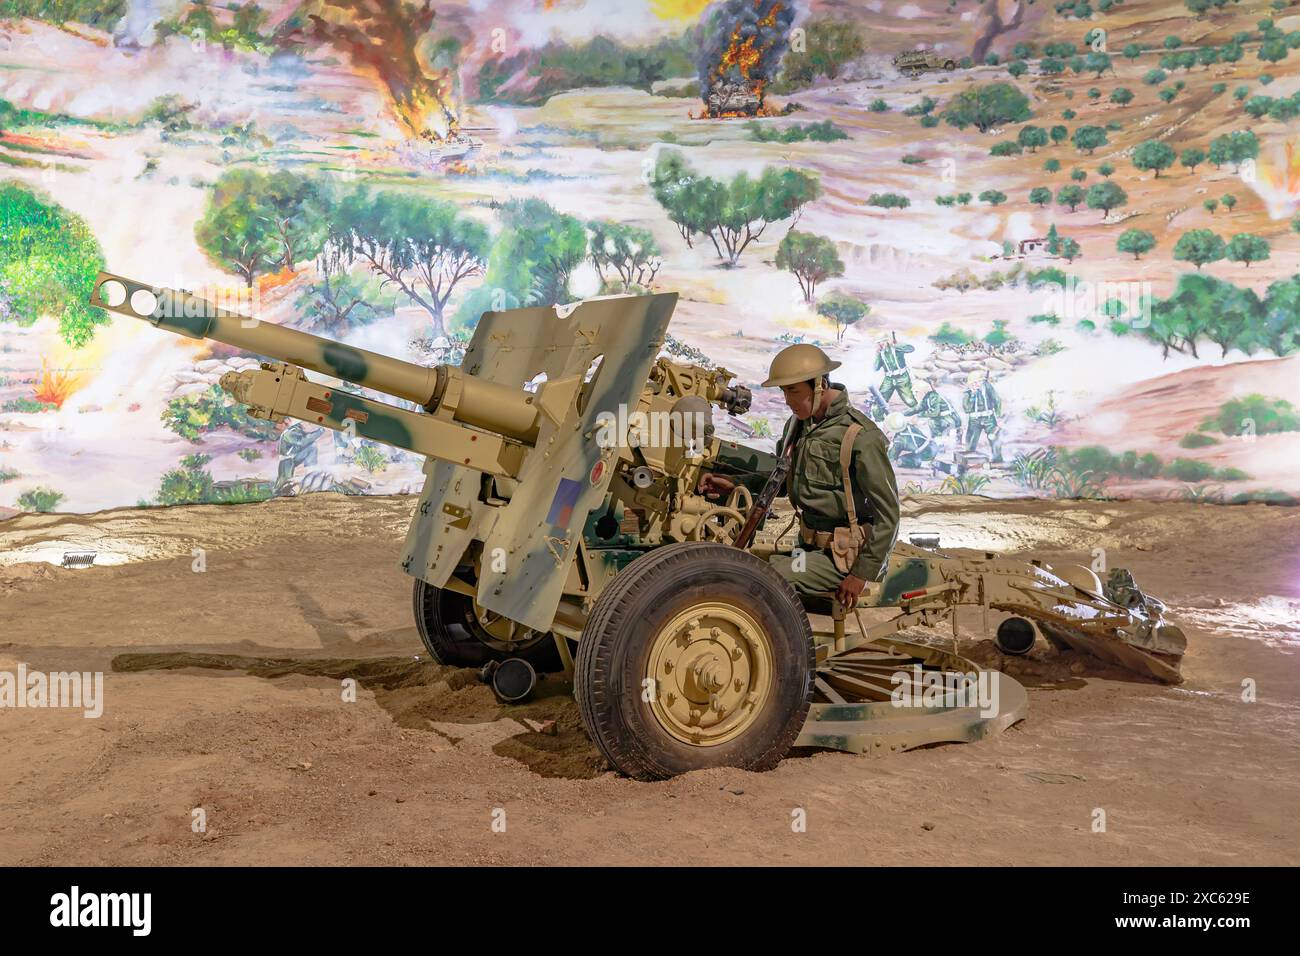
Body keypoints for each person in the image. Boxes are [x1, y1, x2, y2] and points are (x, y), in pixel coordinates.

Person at [699, 344, 900, 610]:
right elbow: (782, 481)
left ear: (819, 384)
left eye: (793, 390)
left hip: (841, 559)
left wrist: (861, 574)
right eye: (784, 391)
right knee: (751, 566)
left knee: (766, 575)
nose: (787, 400)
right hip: (808, 550)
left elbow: (889, 515)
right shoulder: (799, 426)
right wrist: (736, 485)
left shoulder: (860, 435)